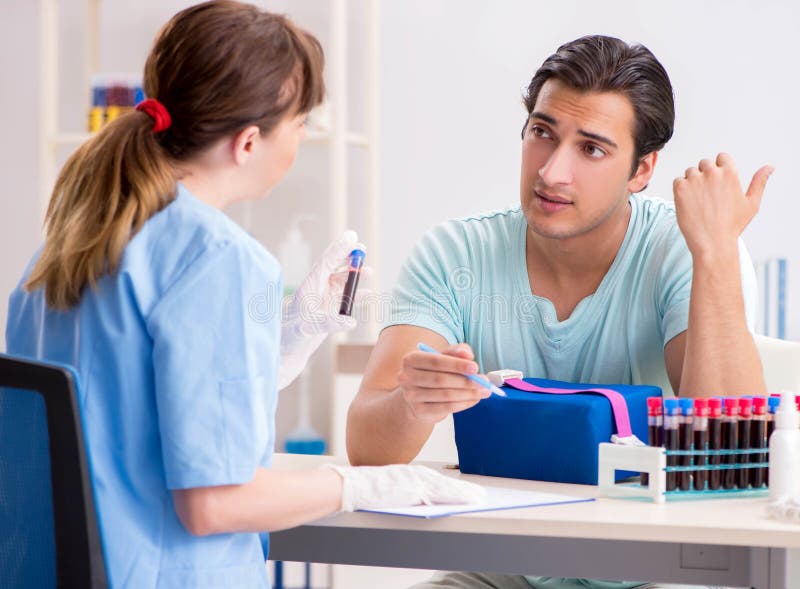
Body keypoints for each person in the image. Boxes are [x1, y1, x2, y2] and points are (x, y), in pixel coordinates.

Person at [3, 2, 485, 587]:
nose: (303, 138)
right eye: (301, 123)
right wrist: (362, 484)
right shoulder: (218, 258)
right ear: (249, 141)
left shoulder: (64, 250)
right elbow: (214, 503)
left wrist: (293, 335)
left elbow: (137, 405)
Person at [346, 35, 772, 589]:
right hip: (502, 571)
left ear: (642, 170)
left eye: (591, 149)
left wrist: (715, 254)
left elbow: (728, 449)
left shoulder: (688, 248)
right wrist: (413, 403)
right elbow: (368, 455)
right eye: (542, 134)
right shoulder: (455, 254)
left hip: (655, 571)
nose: (551, 172)